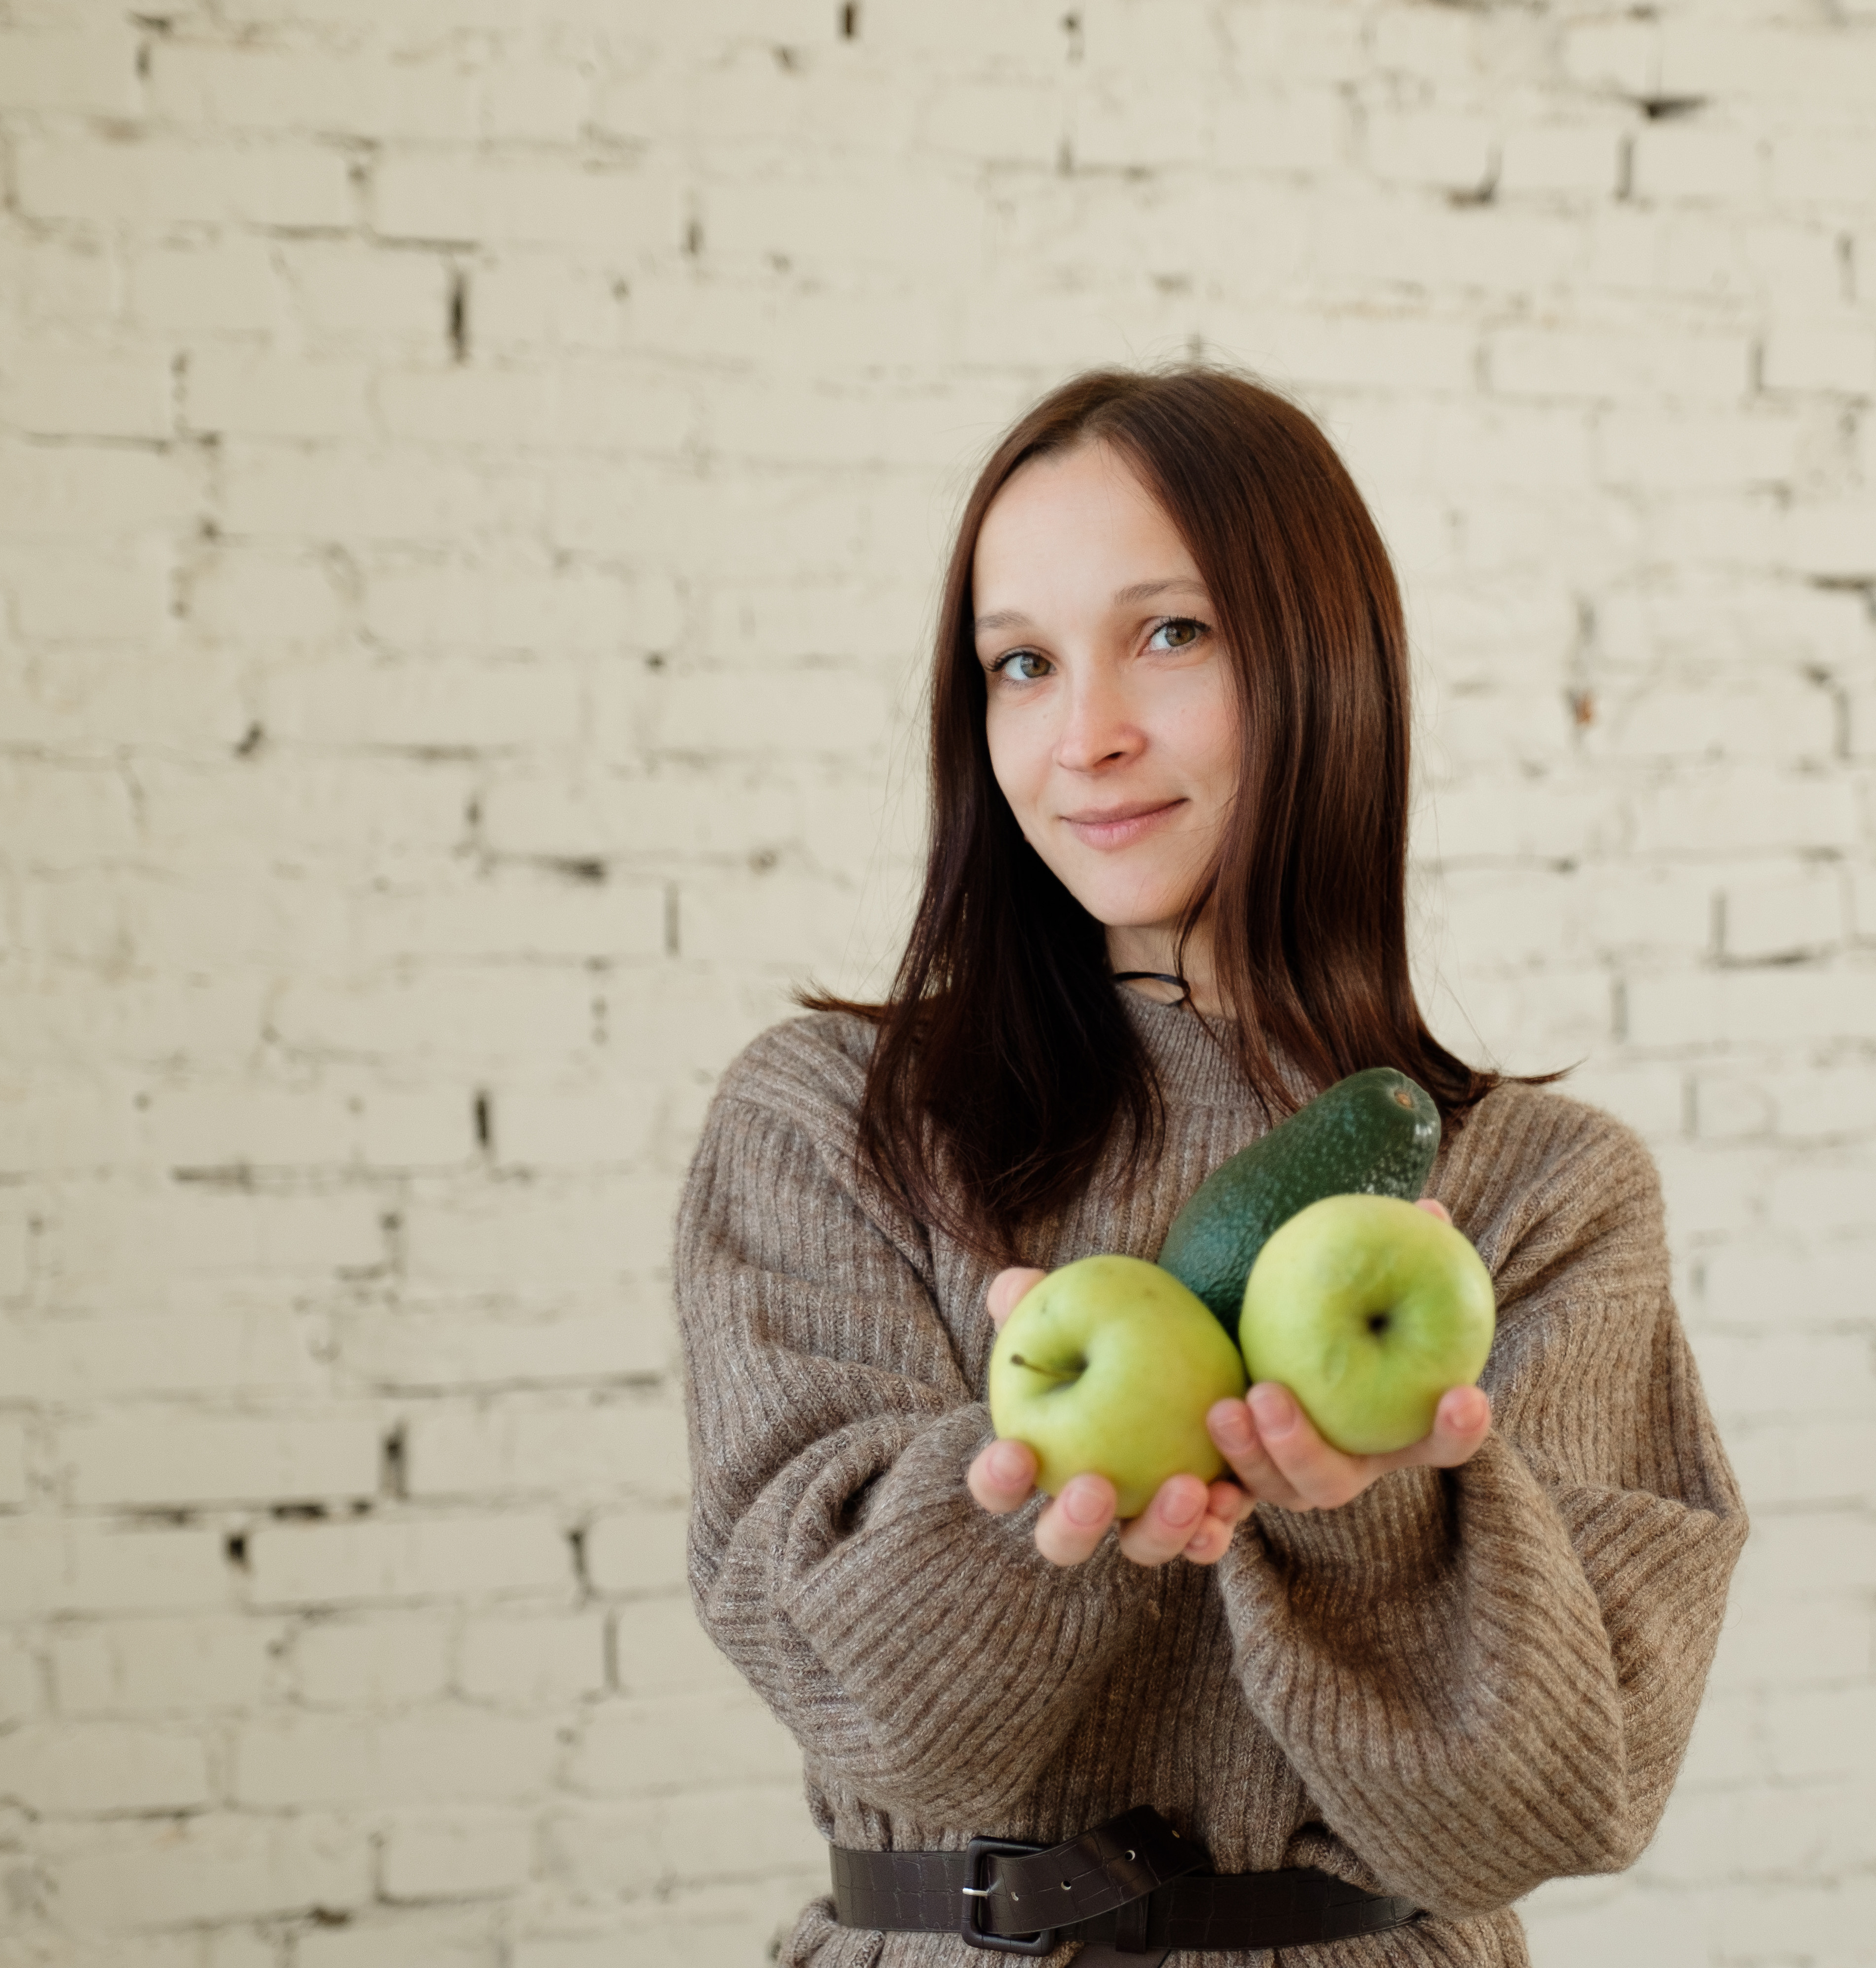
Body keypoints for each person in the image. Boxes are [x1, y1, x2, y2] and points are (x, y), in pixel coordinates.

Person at [673, 365, 1747, 1966]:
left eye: (1170, 635)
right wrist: (1051, 1480)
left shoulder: (1536, 1193)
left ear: (1323, 662)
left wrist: (1382, 1516)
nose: (1086, 736)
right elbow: (874, 1711)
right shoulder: (839, 1124)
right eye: (1019, 664)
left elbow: (1559, 1807)